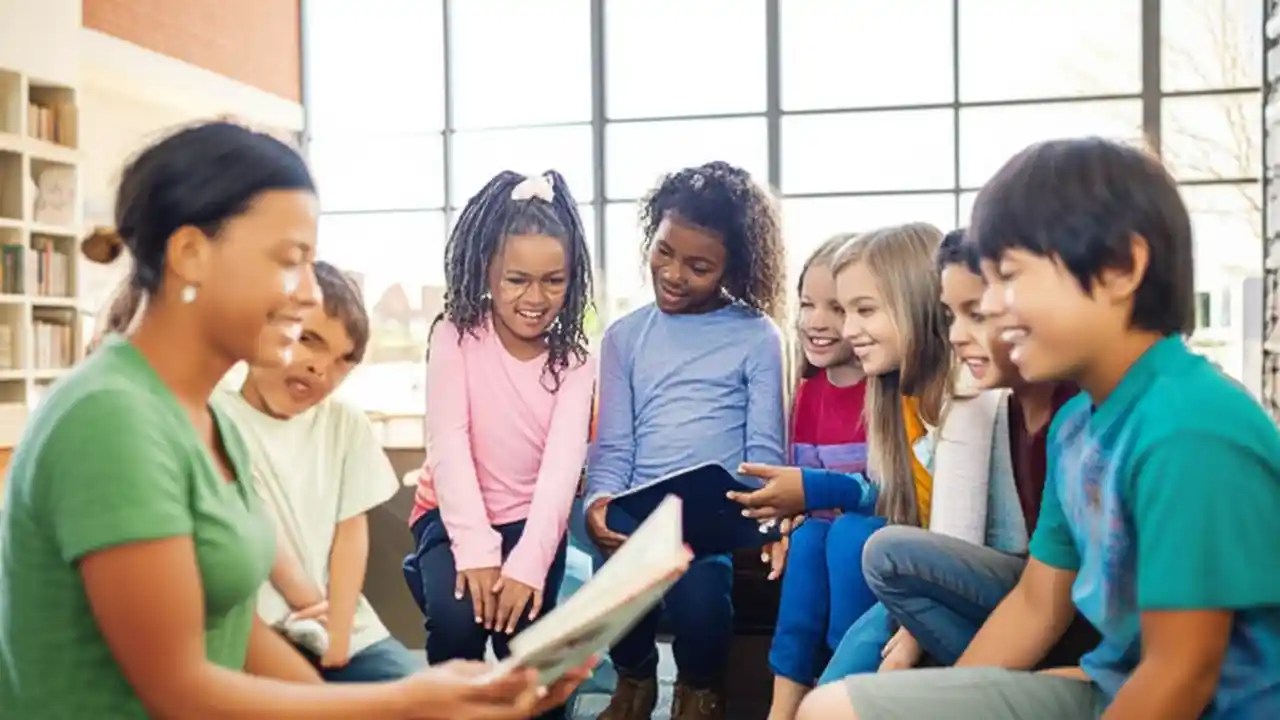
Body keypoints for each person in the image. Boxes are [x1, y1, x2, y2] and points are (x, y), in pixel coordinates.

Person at [0, 121, 585, 719]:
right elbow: (179, 691)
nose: (310, 292)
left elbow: (231, 630)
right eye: (290, 260)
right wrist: (410, 703)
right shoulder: (111, 420)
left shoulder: (207, 421)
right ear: (190, 255)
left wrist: (439, 703)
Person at [801, 137, 1280, 720]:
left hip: (1202, 705)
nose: (994, 308)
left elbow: (1182, 674)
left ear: (1120, 268)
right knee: (834, 709)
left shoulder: (1192, 429)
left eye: (1010, 279)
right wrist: (950, 701)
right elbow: (1034, 604)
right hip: (1111, 686)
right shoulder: (1077, 426)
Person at [585, 161, 788, 720]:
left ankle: (699, 692)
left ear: (733, 268)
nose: (673, 274)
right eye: (664, 252)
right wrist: (598, 502)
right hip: (638, 509)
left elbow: (766, 450)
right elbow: (614, 447)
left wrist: (768, 521)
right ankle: (635, 682)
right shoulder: (625, 338)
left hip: (712, 516)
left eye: (698, 266)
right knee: (613, 585)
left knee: (702, 594)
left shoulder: (757, 336)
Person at [403, 171, 597, 718]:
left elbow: (561, 473)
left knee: (533, 655)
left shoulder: (577, 362)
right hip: (450, 515)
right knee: (460, 622)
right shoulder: (454, 335)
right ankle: (431, 570)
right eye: (516, 279)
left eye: (553, 281)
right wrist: (479, 555)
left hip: (533, 524)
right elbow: (449, 444)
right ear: (487, 268)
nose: (535, 298)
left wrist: (527, 568)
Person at [857, 229, 1088, 674]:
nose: (958, 337)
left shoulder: (1081, 416)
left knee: (886, 552)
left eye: (977, 315)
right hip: (1047, 601)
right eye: (950, 317)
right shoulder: (1010, 407)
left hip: (1097, 635)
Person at [213, 260, 420, 681]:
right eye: (309, 340)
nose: (322, 368)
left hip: (342, 628)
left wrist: (341, 633)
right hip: (252, 630)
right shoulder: (214, 413)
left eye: (344, 360)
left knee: (418, 698)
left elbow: (351, 533)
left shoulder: (345, 423)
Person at [766, 233, 871, 719]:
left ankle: (838, 691)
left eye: (838, 307)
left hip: (867, 537)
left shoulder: (885, 392)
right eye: (808, 304)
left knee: (839, 536)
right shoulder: (805, 392)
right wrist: (783, 526)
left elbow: (893, 497)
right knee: (809, 541)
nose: (817, 321)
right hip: (819, 533)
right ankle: (782, 708)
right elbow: (797, 484)